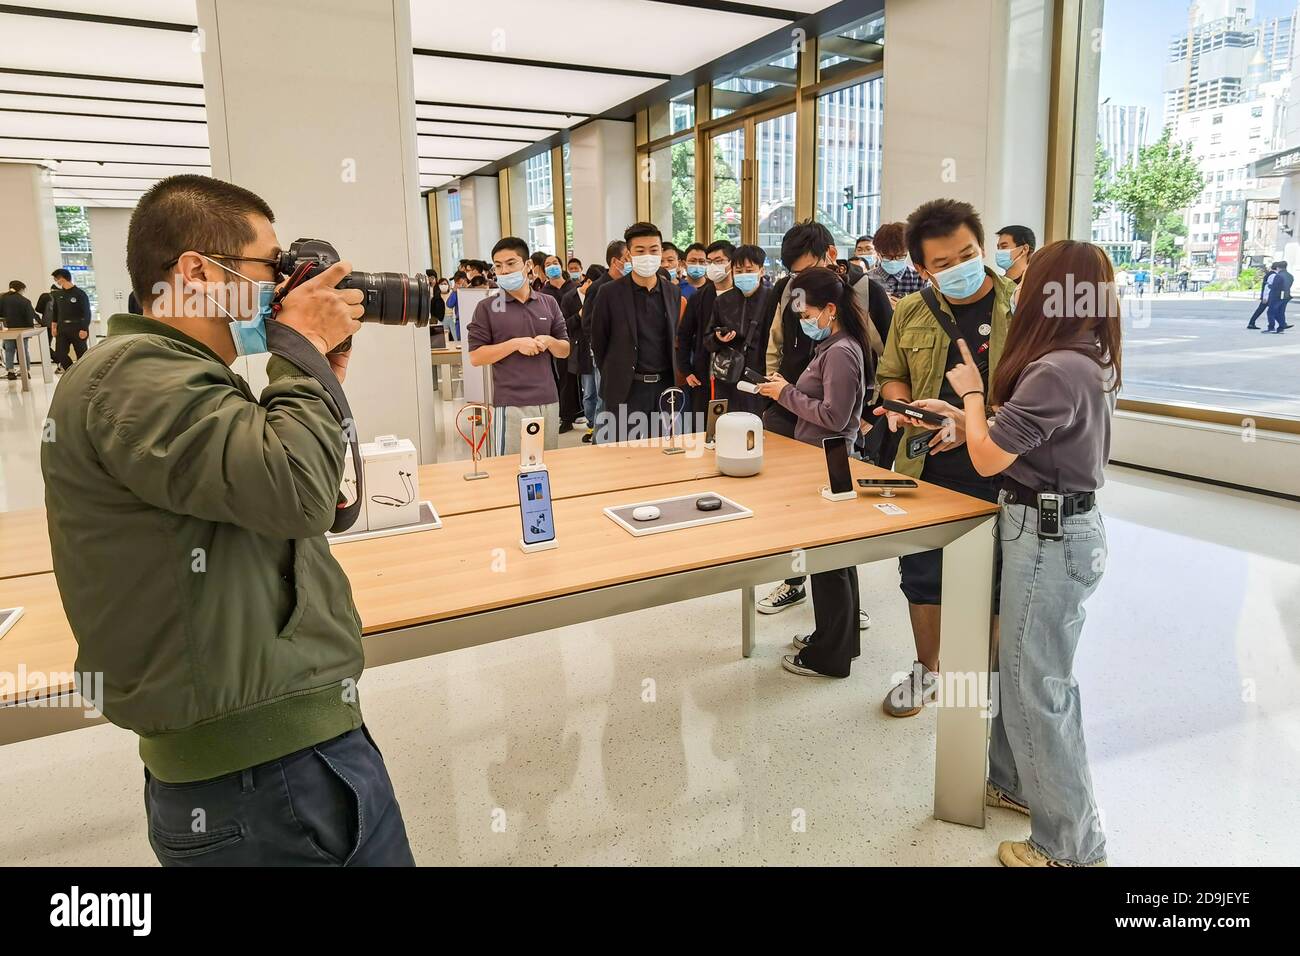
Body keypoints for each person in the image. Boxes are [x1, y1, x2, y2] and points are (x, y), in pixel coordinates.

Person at [40, 174, 414, 865]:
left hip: (277, 753)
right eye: (268, 267)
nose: (280, 286)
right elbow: (296, 492)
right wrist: (299, 363)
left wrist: (316, 369)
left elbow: (293, 501)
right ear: (194, 272)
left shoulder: (178, 374)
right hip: (264, 777)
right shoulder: (134, 378)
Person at [913, 239, 1120, 868]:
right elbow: (1019, 433)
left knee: (1039, 688)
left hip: (1049, 536)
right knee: (1021, 671)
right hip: (1043, 528)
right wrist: (966, 414)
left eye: (1028, 276)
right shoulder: (1081, 356)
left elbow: (987, 457)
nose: (1016, 282)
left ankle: (1071, 847)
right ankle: (1015, 781)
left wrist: (972, 398)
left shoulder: (1058, 366)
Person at [872, 197, 1015, 718]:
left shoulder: (1019, 307)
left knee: (1001, 578)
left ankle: (988, 680)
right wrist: (900, 407)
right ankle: (928, 670)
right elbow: (892, 372)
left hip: (1001, 467)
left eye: (968, 253)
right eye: (943, 263)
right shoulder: (910, 310)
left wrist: (972, 422)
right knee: (923, 572)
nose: (959, 268)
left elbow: (1036, 402)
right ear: (920, 268)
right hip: (925, 467)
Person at [758, 220, 890, 623]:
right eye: (795, 273)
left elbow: (880, 366)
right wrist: (780, 389)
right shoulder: (806, 315)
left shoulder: (860, 312)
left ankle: (841, 619)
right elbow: (774, 343)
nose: (800, 282)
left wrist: (862, 418)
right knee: (803, 521)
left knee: (831, 537)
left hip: (827, 433)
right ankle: (815, 595)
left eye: (807, 269)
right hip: (801, 415)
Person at [754, 266, 871, 678]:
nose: (804, 322)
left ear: (830, 310)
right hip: (818, 459)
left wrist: (784, 393)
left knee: (829, 562)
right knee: (834, 559)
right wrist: (788, 387)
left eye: (807, 314)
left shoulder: (840, 351)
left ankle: (831, 655)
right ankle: (835, 638)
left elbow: (836, 417)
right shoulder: (834, 347)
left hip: (827, 462)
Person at [468, 236, 571, 455]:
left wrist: (550, 341)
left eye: (511, 263)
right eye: (498, 265)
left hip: (549, 400)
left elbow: (565, 350)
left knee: (546, 465)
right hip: (511, 404)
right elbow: (476, 357)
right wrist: (515, 344)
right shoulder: (487, 307)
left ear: (528, 266)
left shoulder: (548, 303)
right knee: (510, 471)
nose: (504, 270)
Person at [590, 222, 683, 442]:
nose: (647, 255)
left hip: (663, 387)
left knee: (661, 452)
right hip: (626, 387)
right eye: (640, 251)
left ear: (661, 253)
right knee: (623, 455)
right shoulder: (609, 293)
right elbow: (598, 342)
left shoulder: (672, 292)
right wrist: (616, 373)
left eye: (654, 250)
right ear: (629, 255)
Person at [702, 244, 772, 415]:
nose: (743, 275)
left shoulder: (771, 299)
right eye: (738, 271)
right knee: (726, 425)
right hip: (727, 377)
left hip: (759, 379)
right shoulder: (723, 301)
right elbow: (707, 341)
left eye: (749, 270)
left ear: (761, 270)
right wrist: (719, 339)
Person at [676, 240, 734, 418]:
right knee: (702, 427)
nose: (713, 266)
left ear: (731, 263)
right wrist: (686, 370)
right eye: (709, 261)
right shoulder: (699, 297)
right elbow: (684, 335)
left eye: (719, 261)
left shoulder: (741, 295)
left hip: (734, 376)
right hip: (703, 374)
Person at [578, 241, 628, 443]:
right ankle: (599, 439)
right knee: (603, 398)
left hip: (625, 355)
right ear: (615, 261)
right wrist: (602, 353)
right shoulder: (599, 288)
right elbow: (588, 324)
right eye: (629, 258)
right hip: (604, 354)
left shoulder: (627, 286)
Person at [538, 253, 582, 431]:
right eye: (548, 264)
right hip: (556, 341)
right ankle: (566, 416)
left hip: (578, 338)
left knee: (579, 378)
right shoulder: (543, 294)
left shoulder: (574, 287)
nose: (552, 266)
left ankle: (581, 411)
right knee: (563, 377)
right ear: (544, 270)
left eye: (555, 263)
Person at [561, 264, 604, 443]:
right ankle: (592, 424)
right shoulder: (570, 297)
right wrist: (579, 315)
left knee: (602, 392)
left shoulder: (603, 296)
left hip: (601, 353)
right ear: (587, 281)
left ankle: (600, 428)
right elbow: (564, 327)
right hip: (583, 352)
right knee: (589, 393)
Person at [868, 221, 927, 304]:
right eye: (888, 257)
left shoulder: (919, 278)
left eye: (900, 256)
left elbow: (926, 311)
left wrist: (904, 308)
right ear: (878, 253)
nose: (894, 261)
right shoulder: (867, 279)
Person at [50, 267, 91, 371]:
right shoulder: (58, 295)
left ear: (62, 279)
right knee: (60, 353)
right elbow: (55, 312)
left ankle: (81, 374)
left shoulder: (80, 294)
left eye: (56, 279)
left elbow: (86, 313)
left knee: (81, 354)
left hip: (78, 328)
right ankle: (70, 371)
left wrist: (84, 328)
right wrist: (53, 327)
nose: (56, 282)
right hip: (62, 328)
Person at [1, 280, 38, 380]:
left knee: (9, 350)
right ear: (21, 289)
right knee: (24, 350)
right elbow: (29, 316)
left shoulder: (2, 298)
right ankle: (25, 371)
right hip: (23, 329)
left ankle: (10, 372)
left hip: (9, 329)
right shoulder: (25, 300)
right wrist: (30, 329)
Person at [1248, 262, 1279, 329]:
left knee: (1261, 310)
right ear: (1277, 268)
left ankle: (1251, 323)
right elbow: (1268, 287)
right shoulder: (1273, 275)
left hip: (1266, 296)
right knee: (1274, 310)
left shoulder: (1269, 274)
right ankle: (1281, 324)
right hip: (1268, 297)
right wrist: (1265, 297)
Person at [1265, 260, 1293, 333]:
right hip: (1286, 296)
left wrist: (1269, 285)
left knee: (1270, 312)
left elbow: (1275, 287)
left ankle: (1271, 327)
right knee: (1281, 312)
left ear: (1278, 267)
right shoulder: (1290, 276)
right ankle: (1281, 328)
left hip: (1276, 296)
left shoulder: (1279, 276)